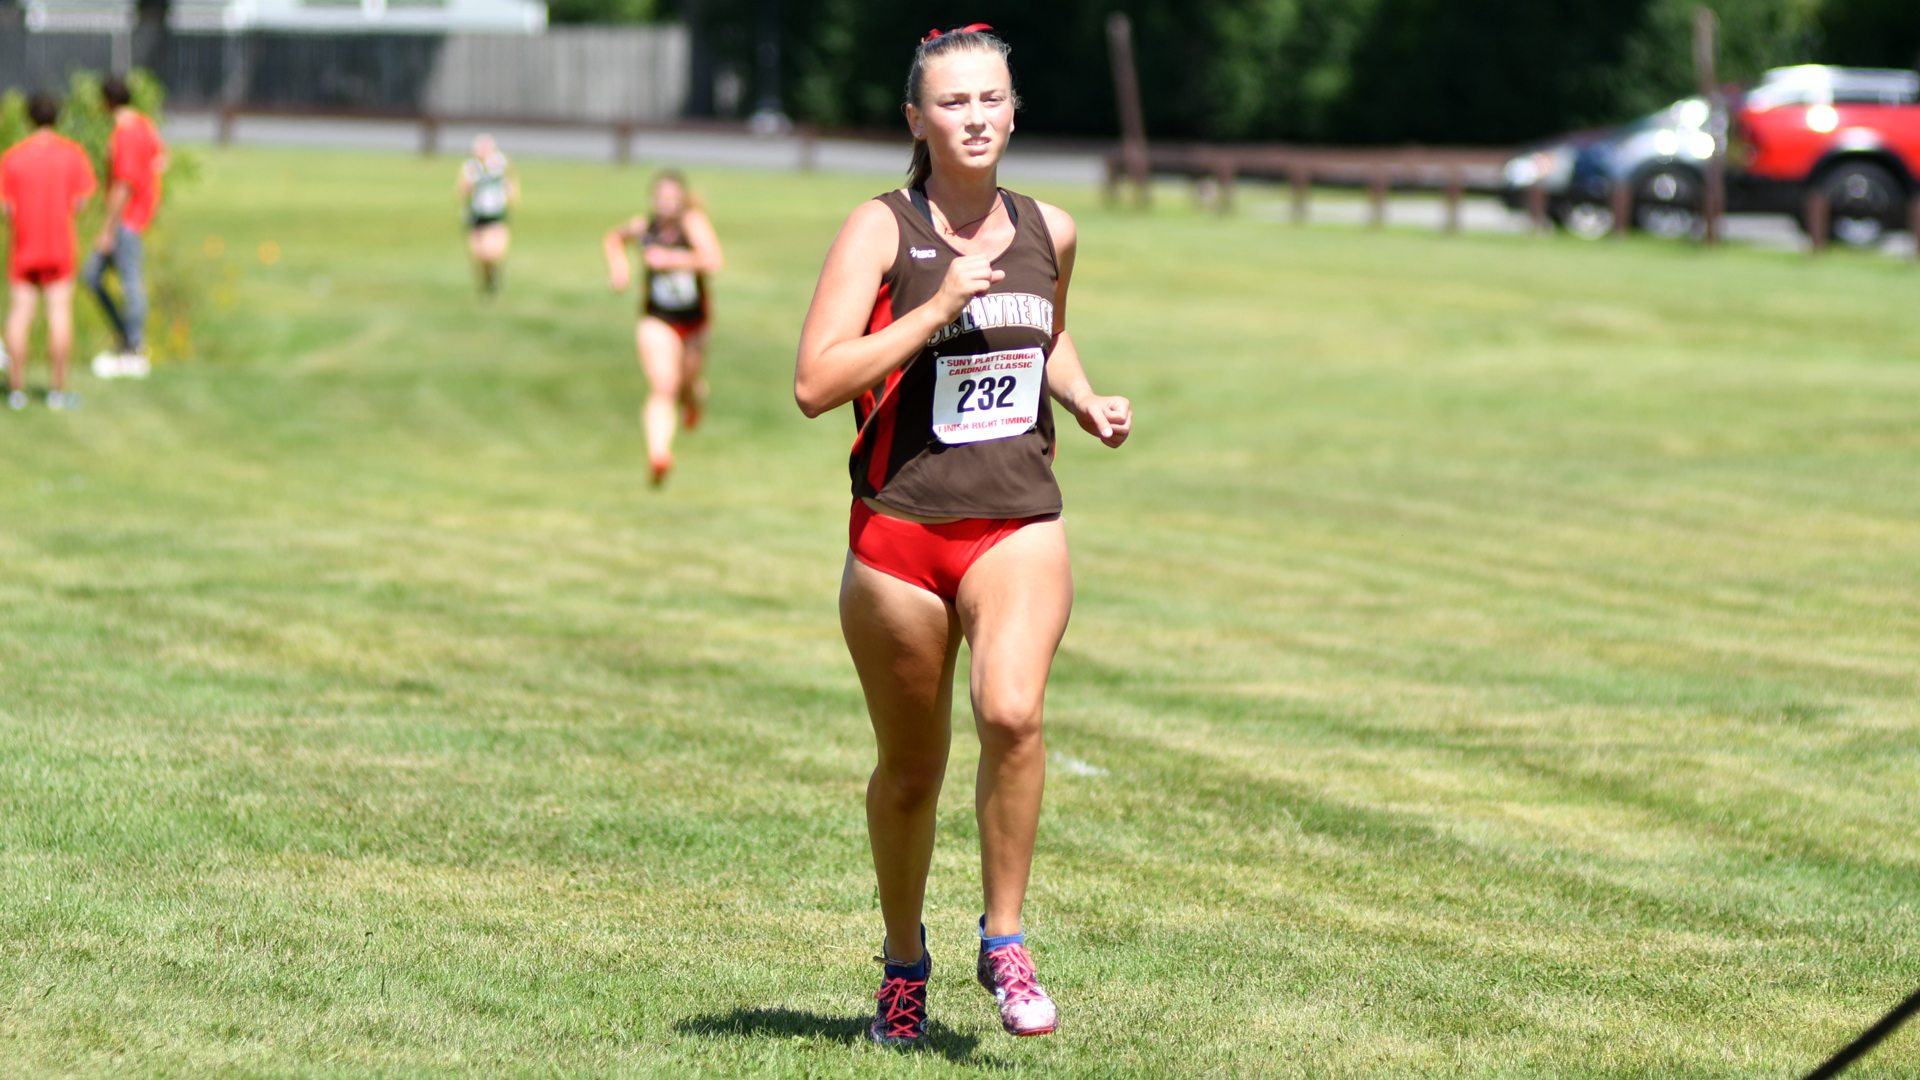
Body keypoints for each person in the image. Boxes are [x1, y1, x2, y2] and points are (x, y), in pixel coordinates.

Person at [793, 25, 1132, 1048]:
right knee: (910, 772)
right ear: (917, 120)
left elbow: (1048, 328)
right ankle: (904, 964)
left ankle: (1006, 937)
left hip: (1016, 520)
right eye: (953, 103)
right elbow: (817, 383)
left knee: (1014, 714)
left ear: (1015, 108)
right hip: (899, 535)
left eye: (992, 99)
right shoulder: (880, 230)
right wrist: (934, 304)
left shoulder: (1052, 227)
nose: (975, 117)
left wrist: (1079, 396)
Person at [602, 170, 723, 486]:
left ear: (682, 200)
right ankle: (659, 454)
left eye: (672, 198)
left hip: (694, 322)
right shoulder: (645, 226)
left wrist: (670, 259)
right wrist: (619, 269)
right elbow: (614, 238)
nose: (665, 204)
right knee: (663, 387)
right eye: (660, 198)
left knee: (685, 386)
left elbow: (712, 261)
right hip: (657, 318)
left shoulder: (692, 223)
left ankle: (695, 396)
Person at [3, 91, 97, 411]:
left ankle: (16, 389)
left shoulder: (13, 157)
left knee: (20, 315)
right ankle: (58, 389)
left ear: (29, 118)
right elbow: (81, 201)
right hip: (58, 247)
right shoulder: (72, 155)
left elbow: (6, 208)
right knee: (59, 314)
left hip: (24, 247)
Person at [85, 74, 166, 380]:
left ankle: (134, 347)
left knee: (130, 282)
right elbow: (161, 158)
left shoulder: (125, 132)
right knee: (91, 275)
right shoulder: (145, 124)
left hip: (127, 218)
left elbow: (123, 183)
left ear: (107, 102)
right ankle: (126, 339)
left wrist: (108, 227)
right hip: (140, 213)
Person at [458, 134, 517, 295]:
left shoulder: (501, 166)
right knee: (479, 256)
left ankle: (495, 274)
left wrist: (510, 196)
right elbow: (461, 191)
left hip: (495, 216)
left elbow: (512, 187)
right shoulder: (471, 168)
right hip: (476, 217)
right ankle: (487, 281)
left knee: (493, 252)